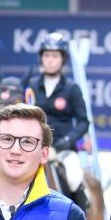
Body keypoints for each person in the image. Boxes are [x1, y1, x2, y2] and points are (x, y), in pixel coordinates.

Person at [20, 33, 88, 209]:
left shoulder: (72, 88)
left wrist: (64, 143)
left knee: (74, 178)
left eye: (55, 56)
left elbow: (83, 122)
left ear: (62, 59)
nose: (50, 60)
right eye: (47, 55)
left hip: (62, 149)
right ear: (41, 58)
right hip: (35, 147)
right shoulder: (32, 86)